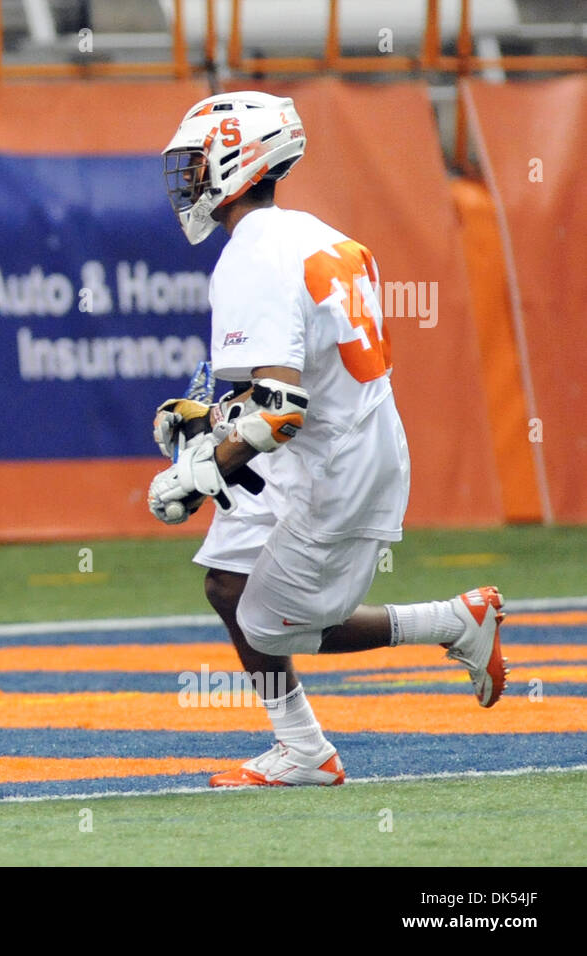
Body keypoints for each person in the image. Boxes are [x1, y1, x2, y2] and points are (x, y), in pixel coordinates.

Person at [147, 91, 507, 787]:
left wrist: (199, 471)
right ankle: (303, 749)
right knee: (227, 585)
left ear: (236, 160)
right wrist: (209, 420)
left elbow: (281, 409)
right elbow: (287, 384)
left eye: (196, 165)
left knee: (270, 624)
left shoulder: (252, 256)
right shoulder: (310, 234)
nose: (187, 182)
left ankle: (453, 622)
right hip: (331, 444)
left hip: (335, 463)